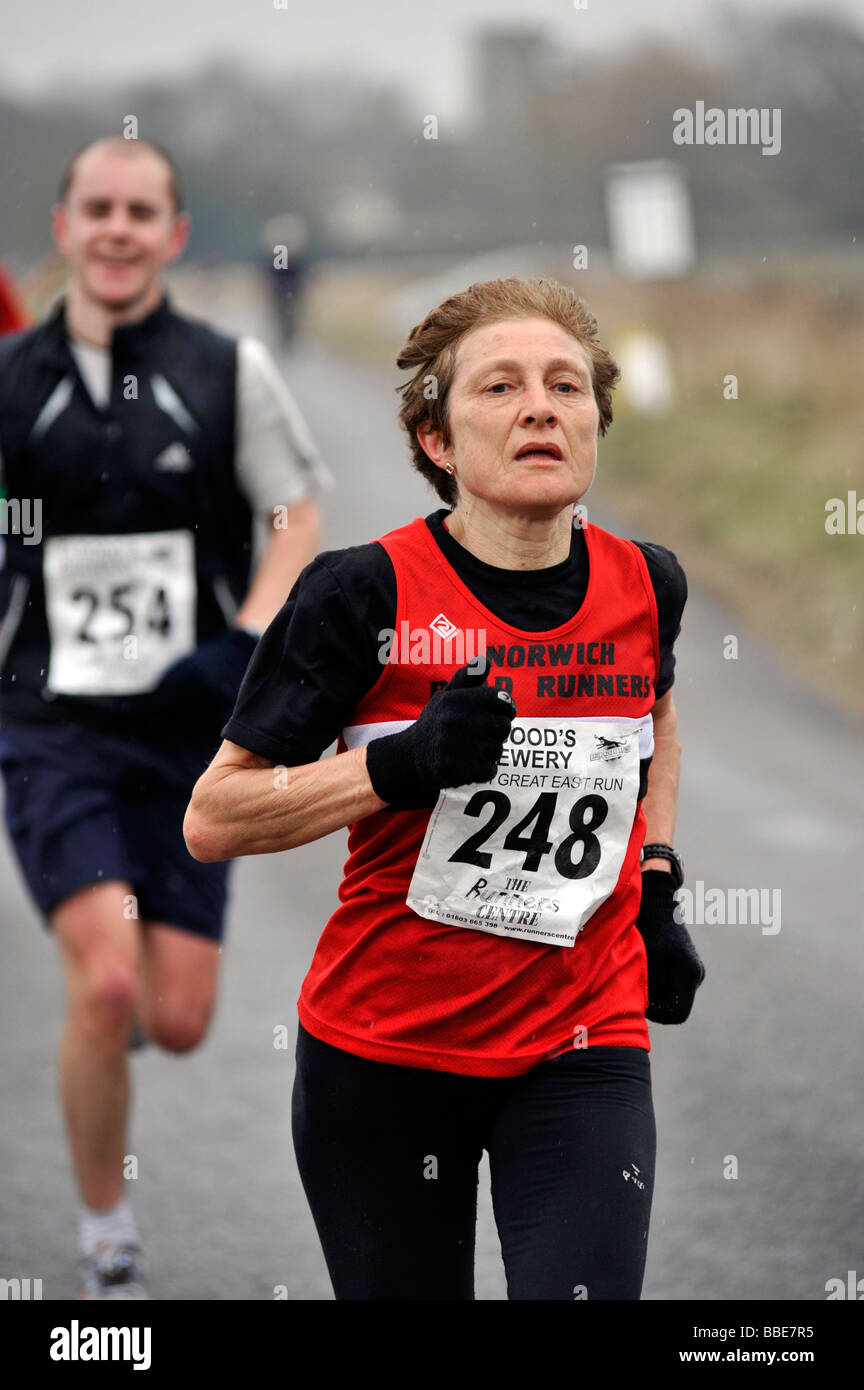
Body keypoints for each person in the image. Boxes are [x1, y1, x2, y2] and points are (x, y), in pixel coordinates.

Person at [184, 276, 704, 1301]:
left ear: (597, 422)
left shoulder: (648, 584)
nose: (540, 407)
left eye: (565, 386)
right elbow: (214, 816)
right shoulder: (359, 592)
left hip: (583, 1039)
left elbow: (657, 719)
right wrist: (402, 763)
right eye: (500, 387)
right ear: (437, 439)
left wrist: (654, 878)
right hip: (385, 1056)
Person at [0, 136, 330, 1299]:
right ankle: (107, 1234)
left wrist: (246, 641)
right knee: (104, 987)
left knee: (176, 1018)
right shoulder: (10, 375)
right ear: (64, 226)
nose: (117, 228)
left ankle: (127, 1009)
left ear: (174, 235)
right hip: (51, 722)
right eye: (97, 207)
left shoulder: (229, 368)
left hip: (192, 728)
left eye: (141, 211)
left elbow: (294, 513)